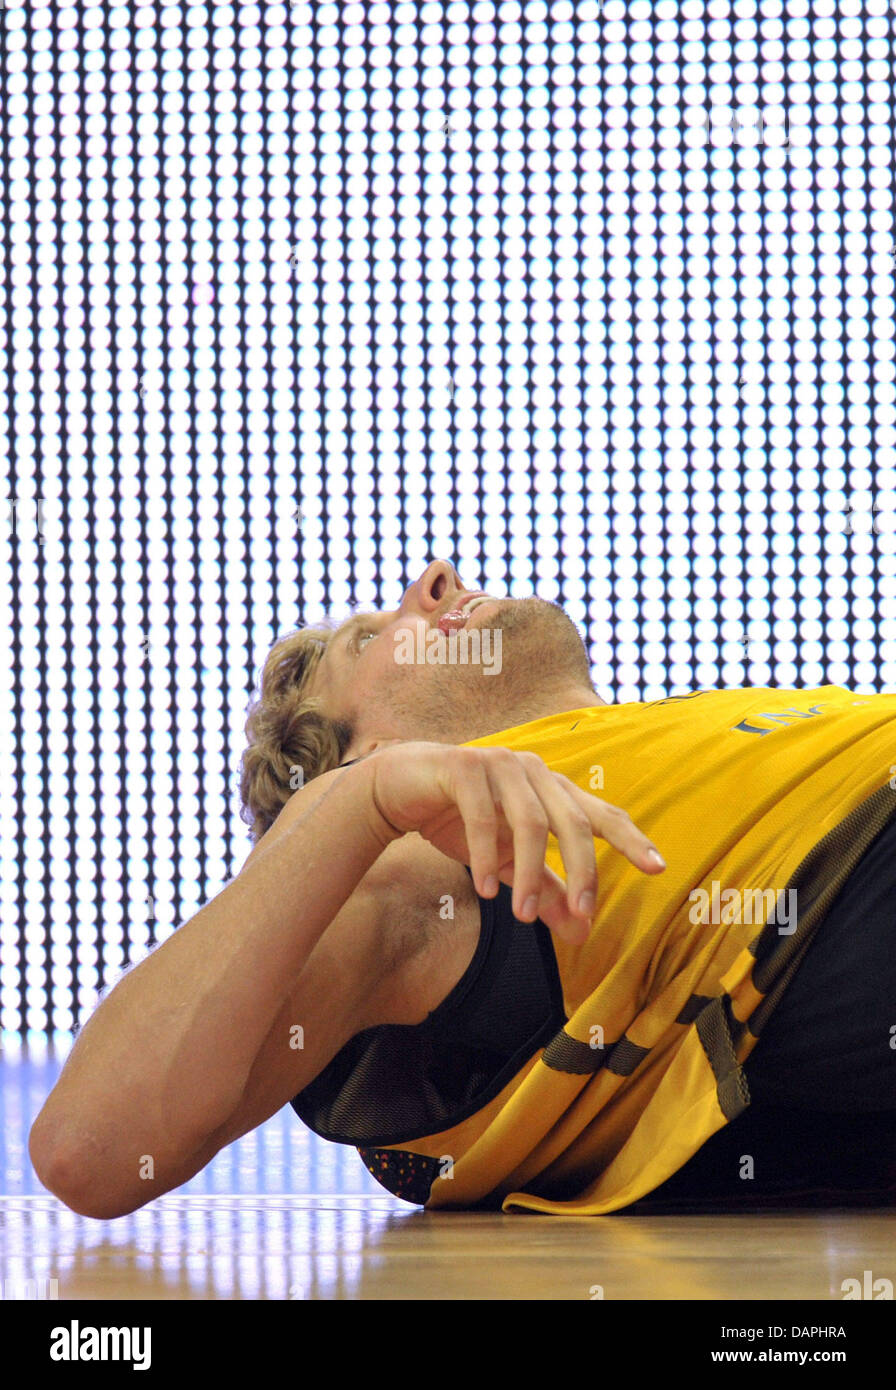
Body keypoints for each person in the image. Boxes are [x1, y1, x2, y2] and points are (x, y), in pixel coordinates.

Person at [30, 560, 896, 1218]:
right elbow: (90, 1148)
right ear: (369, 759)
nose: (437, 577)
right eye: (369, 641)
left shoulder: (685, 737)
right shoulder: (417, 871)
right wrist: (357, 807)